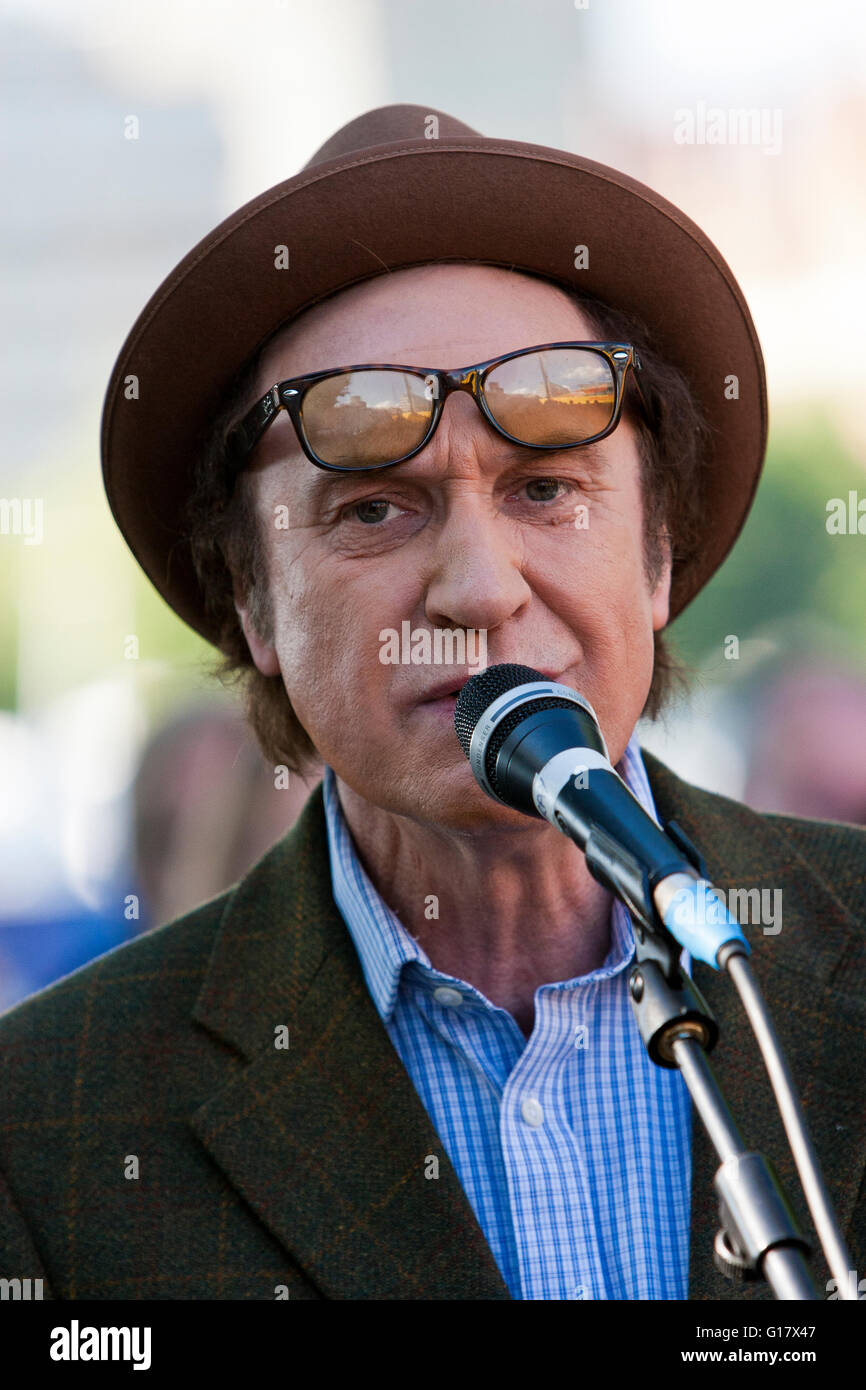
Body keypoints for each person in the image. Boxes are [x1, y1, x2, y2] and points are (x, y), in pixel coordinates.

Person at [1, 105, 864, 1302]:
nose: (478, 587)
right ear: (253, 603)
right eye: (372, 509)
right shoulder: (47, 1129)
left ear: (655, 557)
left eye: (547, 488)